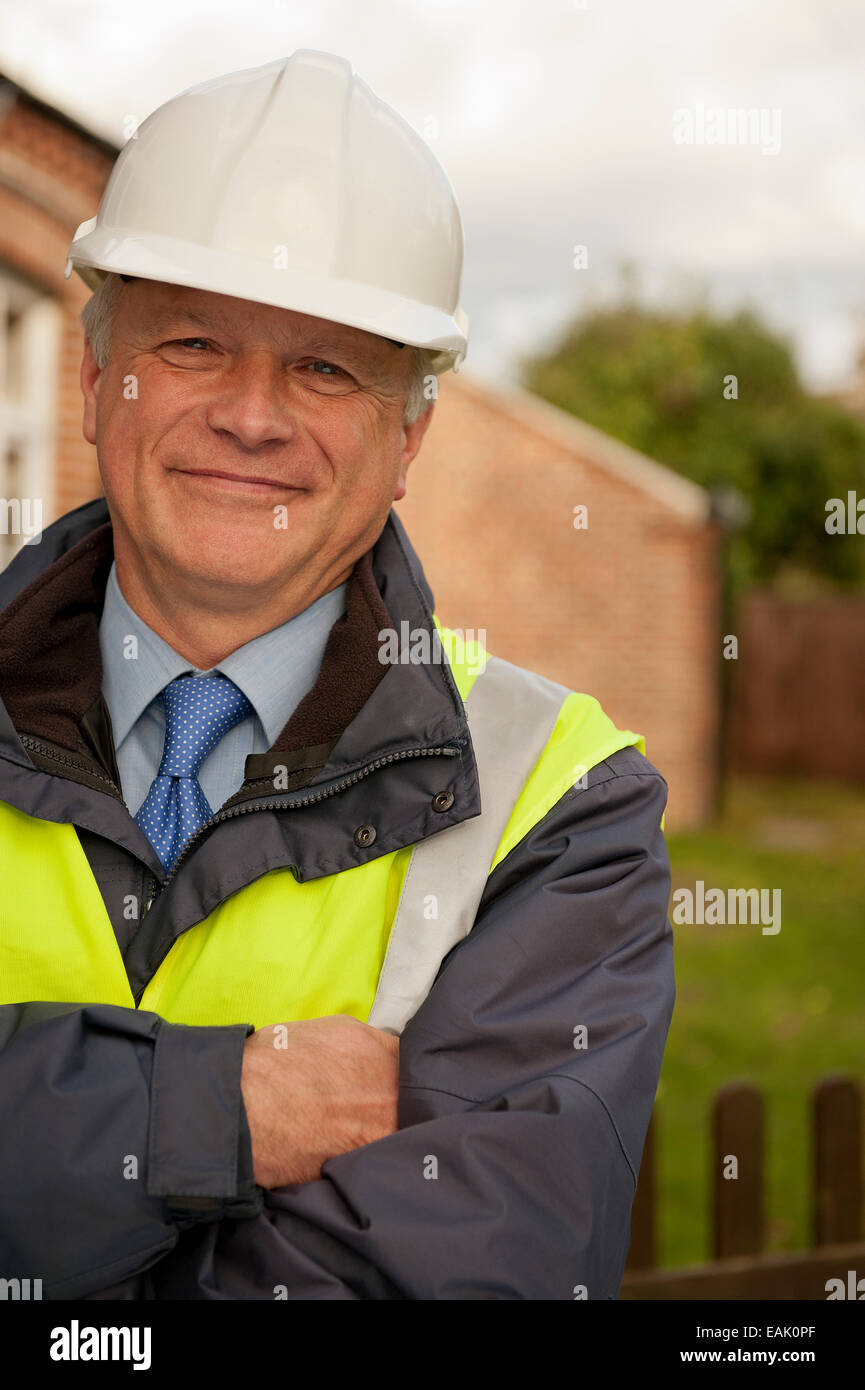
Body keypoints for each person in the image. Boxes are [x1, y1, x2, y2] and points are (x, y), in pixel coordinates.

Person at [0, 50, 675, 1300]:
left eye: (325, 368)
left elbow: (465, 1272)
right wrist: (210, 1110)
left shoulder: (561, 802)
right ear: (99, 381)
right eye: (196, 343)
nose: (253, 415)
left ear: (406, 435)